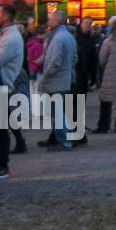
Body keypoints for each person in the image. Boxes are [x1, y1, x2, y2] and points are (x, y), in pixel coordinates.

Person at [0, 3, 26, 179]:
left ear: (7, 17)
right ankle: (0, 164)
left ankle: (2, 165)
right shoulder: (4, 35)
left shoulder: (10, 39)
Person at [37, 11, 79, 150]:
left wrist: (45, 75)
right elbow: (74, 59)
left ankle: (65, 141)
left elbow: (55, 62)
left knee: (57, 113)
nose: (49, 23)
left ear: (56, 21)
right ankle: (68, 138)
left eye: (50, 20)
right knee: (61, 111)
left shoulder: (58, 38)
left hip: (56, 81)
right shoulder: (68, 36)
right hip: (64, 79)